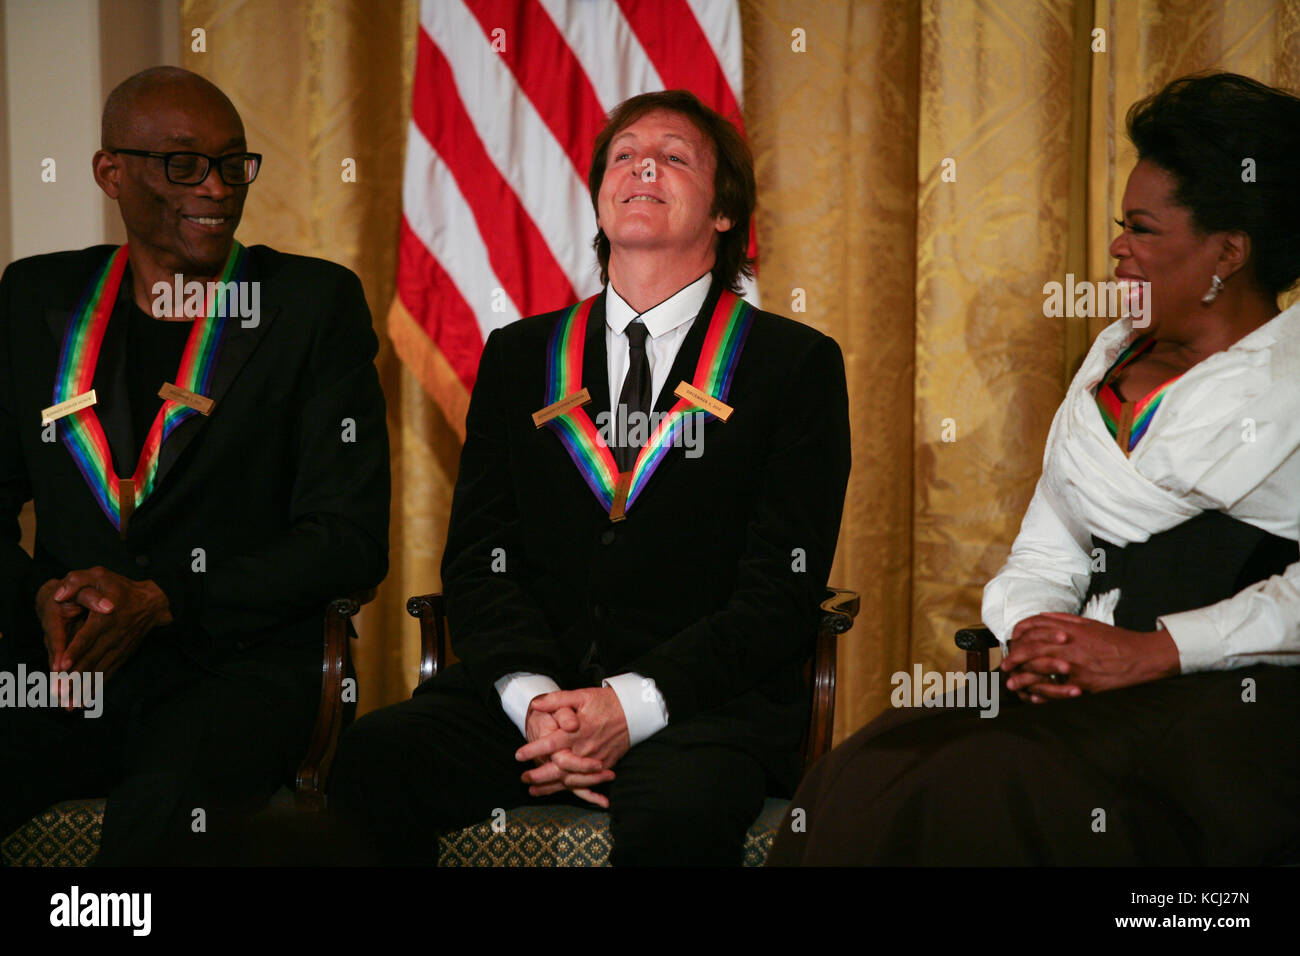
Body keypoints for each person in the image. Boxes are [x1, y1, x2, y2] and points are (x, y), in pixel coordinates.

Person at [768, 71, 1300, 866]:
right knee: (866, 769)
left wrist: (1154, 650)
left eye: (1144, 230)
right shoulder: (1108, 359)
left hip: (1232, 705)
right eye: (1123, 224)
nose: (1118, 246)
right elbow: (1047, 554)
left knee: (991, 787)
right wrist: (1041, 636)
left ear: (1228, 252)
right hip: (1083, 694)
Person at [330, 90, 851, 866]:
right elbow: (480, 559)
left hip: (701, 707)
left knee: (678, 818)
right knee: (373, 761)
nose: (644, 165)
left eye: (675, 157)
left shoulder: (794, 366)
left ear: (723, 216)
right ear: (602, 203)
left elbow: (781, 589)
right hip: (528, 697)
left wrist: (629, 706)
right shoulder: (518, 358)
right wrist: (537, 701)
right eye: (625, 155)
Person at [0, 67, 390, 864]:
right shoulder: (36, 298)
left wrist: (164, 597)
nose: (215, 187)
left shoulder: (310, 305)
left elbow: (347, 538)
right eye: (182, 164)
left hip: (235, 670)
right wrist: (38, 592)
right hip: (69, 664)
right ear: (111, 172)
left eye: (232, 162)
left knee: (163, 817)